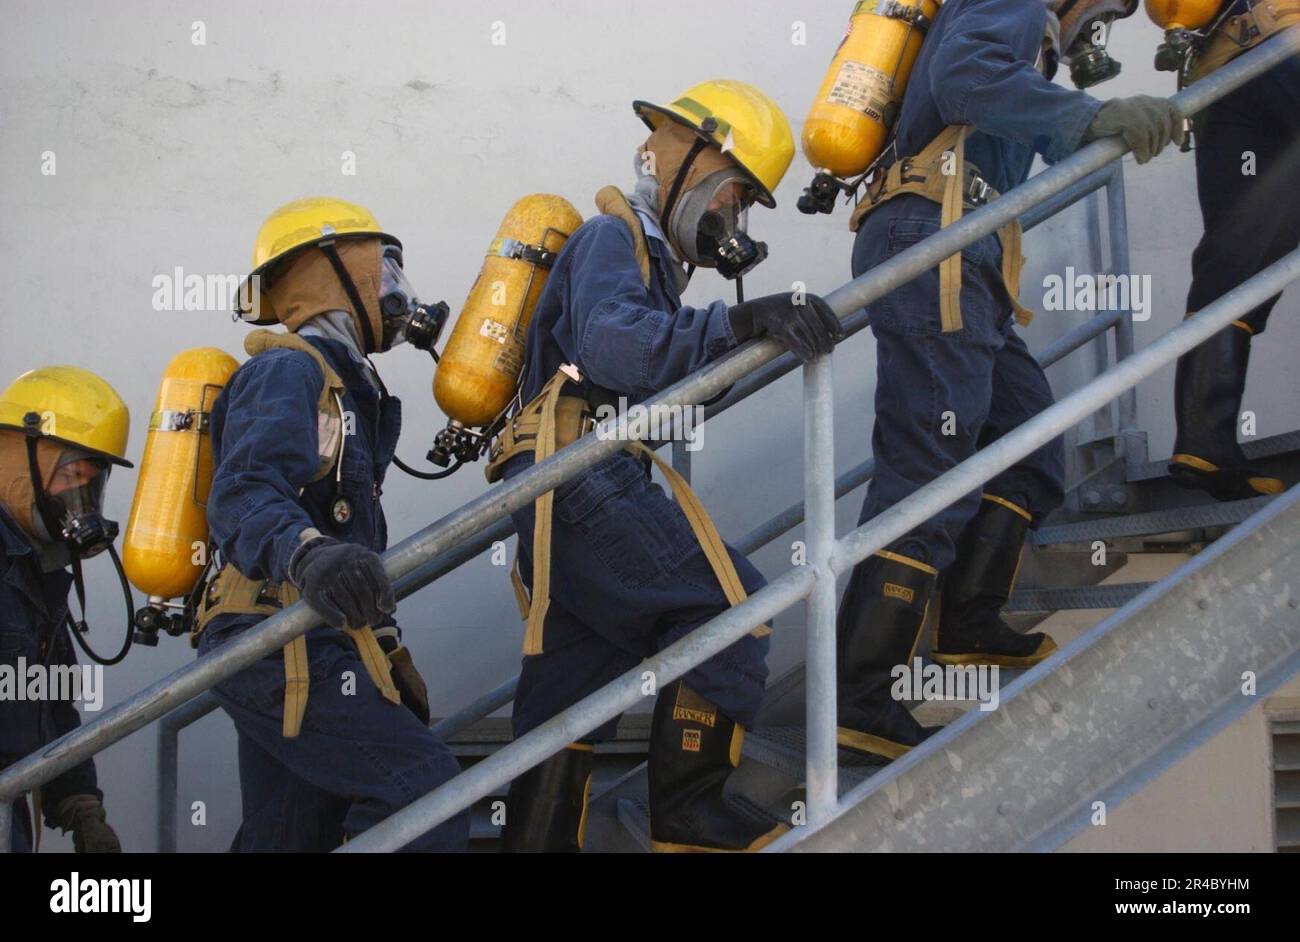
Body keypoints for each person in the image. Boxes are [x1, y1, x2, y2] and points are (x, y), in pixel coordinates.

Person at [491, 79, 844, 852]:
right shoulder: (610, 239)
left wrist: (731, 337)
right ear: (688, 161)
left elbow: (648, 368)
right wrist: (738, 319)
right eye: (733, 195)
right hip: (577, 471)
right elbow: (614, 345)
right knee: (731, 606)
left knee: (566, 698)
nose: (733, 219)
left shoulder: (649, 261)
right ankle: (686, 814)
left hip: (565, 480)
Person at [836, 0, 1185, 761]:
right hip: (935, 236)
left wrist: (1114, 121)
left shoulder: (1031, 39)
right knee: (930, 466)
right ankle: (861, 698)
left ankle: (967, 618)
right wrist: (1094, 115)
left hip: (969, 245)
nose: (1109, 14)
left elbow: (1026, 131)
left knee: (1028, 444)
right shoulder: (1015, 2)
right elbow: (964, 79)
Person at [196, 196, 467, 851]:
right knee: (424, 789)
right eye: (385, 272)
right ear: (333, 275)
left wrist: (384, 641)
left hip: (300, 632)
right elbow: (244, 490)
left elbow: (352, 540)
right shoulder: (289, 369)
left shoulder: (350, 390)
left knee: (292, 832)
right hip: (272, 628)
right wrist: (307, 553)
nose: (397, 292)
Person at [1165, 1, 1299, 500]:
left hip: (1225, 74)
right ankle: (1206, 445)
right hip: (1276, 50)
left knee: (1242, 249)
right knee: (1244, 250)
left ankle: (1205, 444)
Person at [0, 366, 127, 853]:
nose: (81, 500)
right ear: (21, 458)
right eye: (71, 476)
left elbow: (52, 701)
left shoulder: (41, 570)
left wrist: (80, 809)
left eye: (93, 483)